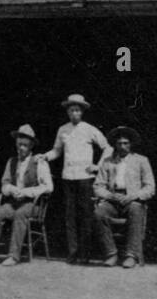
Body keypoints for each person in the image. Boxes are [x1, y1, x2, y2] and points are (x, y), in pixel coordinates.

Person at [40, 94, 111, 264]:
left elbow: (107, 147)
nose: (74, 113)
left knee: (86, 215)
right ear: (67, 112)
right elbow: (57, 151)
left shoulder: (89, 129)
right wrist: (45, 157)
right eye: (71, 110)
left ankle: (85, 254)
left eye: (77, 110)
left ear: (82, 112)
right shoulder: (63, 129)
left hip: (85, 178)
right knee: (70, 216)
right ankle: (73, 253)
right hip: (68, 178)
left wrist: (97, 165)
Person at [0, 125, 52, 266]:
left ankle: (14, 256)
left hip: (33, 204)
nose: (21, 148)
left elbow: (48, 187)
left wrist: (26, 192)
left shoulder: (39, 162)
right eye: (19, 145)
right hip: (14, 202)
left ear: (31, 146)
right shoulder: (11, 162)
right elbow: (4, 184)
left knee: (20, 214)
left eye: (25, 145)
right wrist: (12, 189)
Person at [92, 126, 155, 268]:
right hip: (113, 200)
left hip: (132, 200)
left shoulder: (141, 161)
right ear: (115, 144)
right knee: (98, 213)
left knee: (135, 210)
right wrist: (110, 195)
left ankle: (131, 255)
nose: (122, 146)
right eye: (119, 143)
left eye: (126, 143)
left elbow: (150, 187)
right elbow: (98, 186)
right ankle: (111, 253)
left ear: (131, 144)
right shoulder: (107, 162)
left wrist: (133, 196)